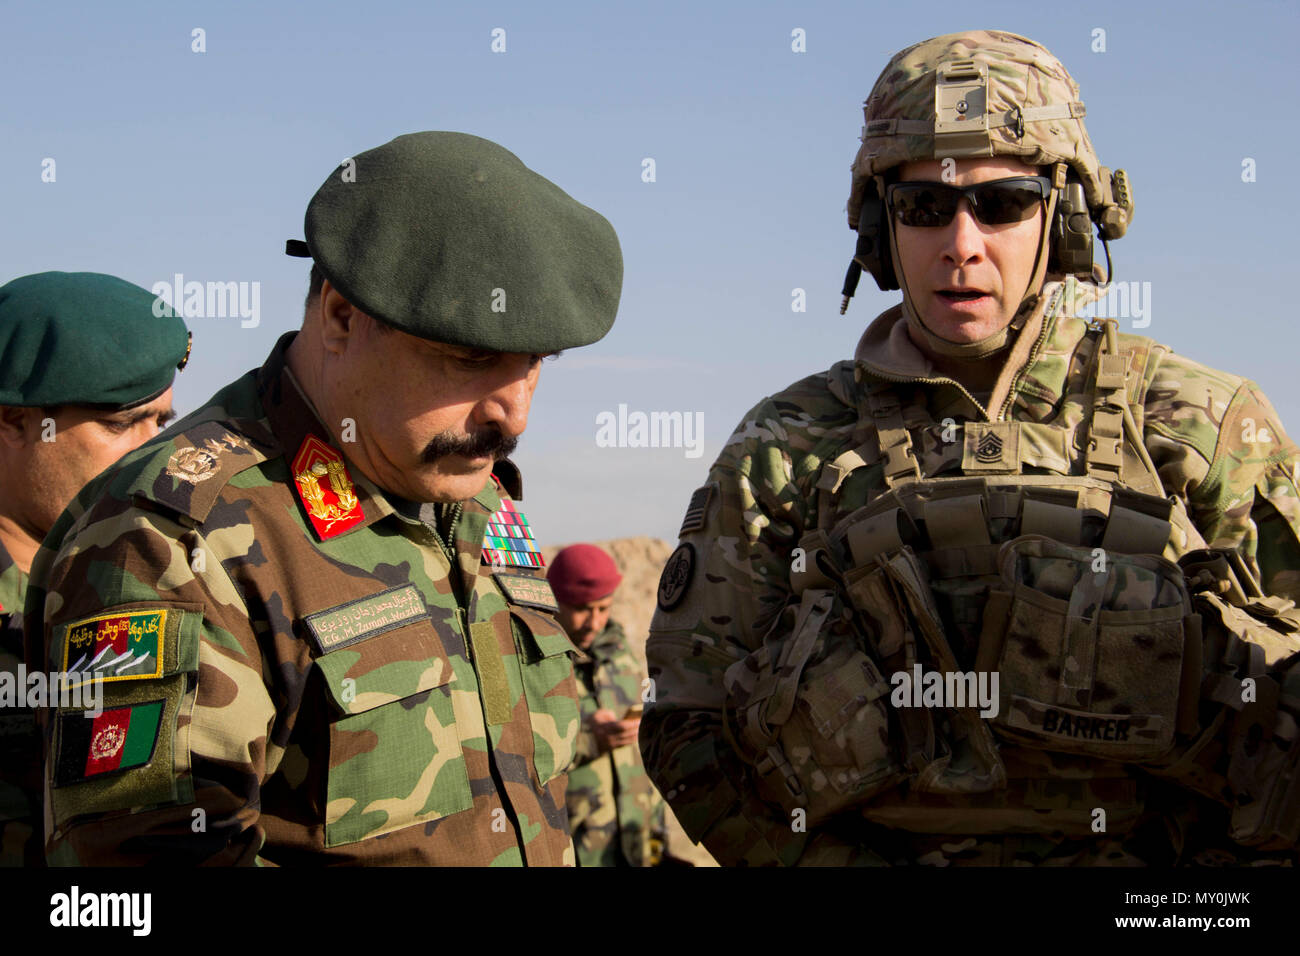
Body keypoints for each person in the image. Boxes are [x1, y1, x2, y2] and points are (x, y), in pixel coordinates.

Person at [641, 31, 1300, 866]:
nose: (961, 243)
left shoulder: (1198, 423)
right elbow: (684, 724)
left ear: (1061, 214)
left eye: (1002, 203)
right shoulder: (788, 446)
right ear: (883, 226)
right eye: (924, 208)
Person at [26, 131, 623, 865]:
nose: (514, 415)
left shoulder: (474, 501)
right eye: (470, 361)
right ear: (340, 318)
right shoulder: (171, 539)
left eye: (535, 365)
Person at [0, 271, 188, 866]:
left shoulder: (156, 569)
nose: (152, 453)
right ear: (12, 421)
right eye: (118, 424)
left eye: (160, 423)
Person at [549, 544, 669, 866]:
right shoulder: (538, 667)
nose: (594, 621)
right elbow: (521, 757)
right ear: (554, 601)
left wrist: (660, 849)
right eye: (582, 608)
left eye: (603, 608)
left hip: (641, 847)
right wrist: (588, 740)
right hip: (579, 852)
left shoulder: (622, 658)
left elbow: (644, 766)